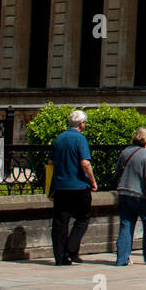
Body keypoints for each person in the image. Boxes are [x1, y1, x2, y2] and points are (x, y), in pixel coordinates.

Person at [47, 109, 97, 265]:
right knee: (83, 217)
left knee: (60, 222)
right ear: (81, 124)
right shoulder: (80, 139)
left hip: (61, 186)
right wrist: (93, 181)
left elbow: (50, 163)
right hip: (78, 186)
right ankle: (71, 249)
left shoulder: (59, 139)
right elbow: (85, 163)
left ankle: (60, 256)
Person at [115, 127, 146, 266]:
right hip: (140, 195)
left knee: (125, 225)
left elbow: (118, 169)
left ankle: (122, 258)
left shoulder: (126, 152)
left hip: (124, 193)